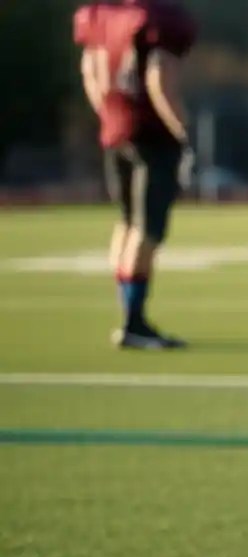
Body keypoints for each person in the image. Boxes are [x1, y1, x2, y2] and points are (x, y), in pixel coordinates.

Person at [73, 0, 197, 349]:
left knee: (128, 223)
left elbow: (90, 72)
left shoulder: (101, 14)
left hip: (117, 131)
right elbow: (160, 78)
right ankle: (134, 322)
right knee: (147, 229)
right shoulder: (161, 19)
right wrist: (184, 134)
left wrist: (109, 118)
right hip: (152, 135)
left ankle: (129, 315)